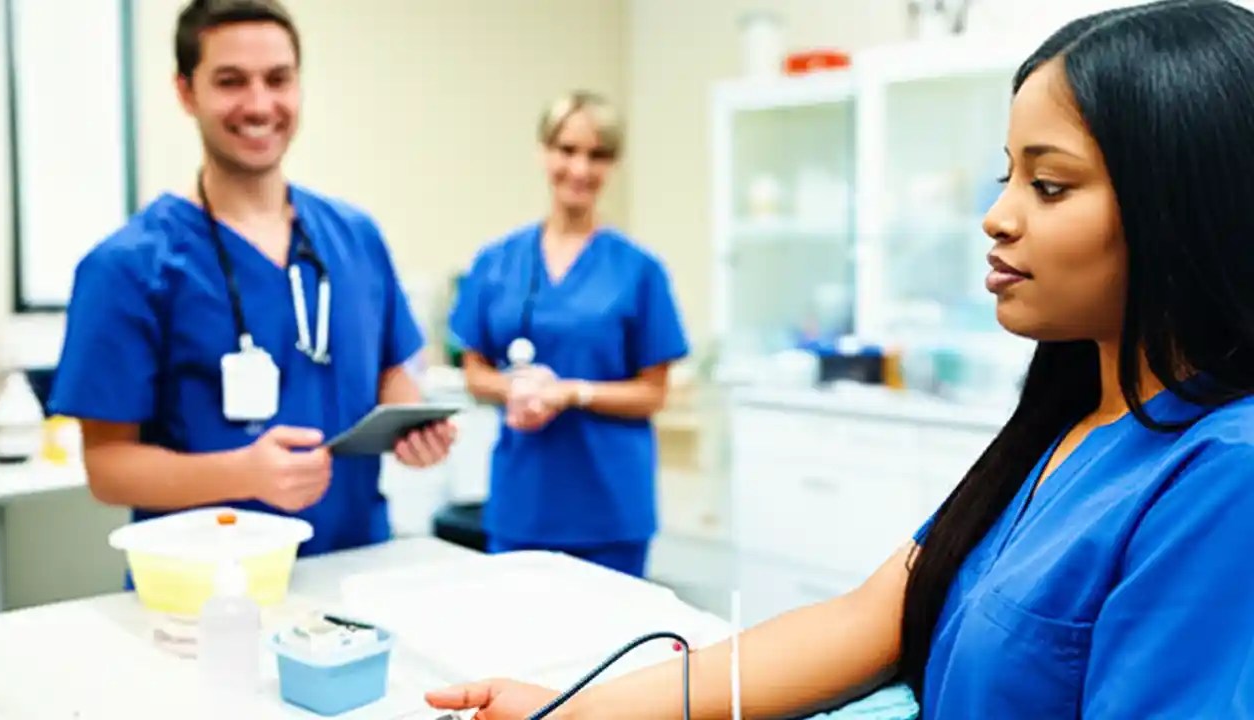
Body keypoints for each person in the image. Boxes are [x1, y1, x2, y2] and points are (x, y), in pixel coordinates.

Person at [425, 1, 1254, 717]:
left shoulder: (1223, 476)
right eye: (1008, 176)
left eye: (1048, 185)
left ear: (1181, 203)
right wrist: (575, 710)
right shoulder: (1067, 428)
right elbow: (870, 619)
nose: (996, 217)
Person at [49, 0, 455, 559]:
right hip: (204, 584)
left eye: (278, 79)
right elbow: (108, 468)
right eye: (231, 82)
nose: (260, 104)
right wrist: (243, 474)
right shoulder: (128, 267)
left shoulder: (356, 237)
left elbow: (392, 371)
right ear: (186, 92)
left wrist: (412, 427)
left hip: (356, 568)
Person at [446, 91, 689, 578]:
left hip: (610, 508)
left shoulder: (639, 270)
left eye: (597, 155)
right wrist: (518, 389)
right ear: (544, 152)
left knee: (615, 628)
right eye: (567, 150)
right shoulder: (497, 262)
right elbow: (474, 373)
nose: (580, 168)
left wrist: (572, 393)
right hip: (523, 503)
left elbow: (653, 393)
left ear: (613, 165)